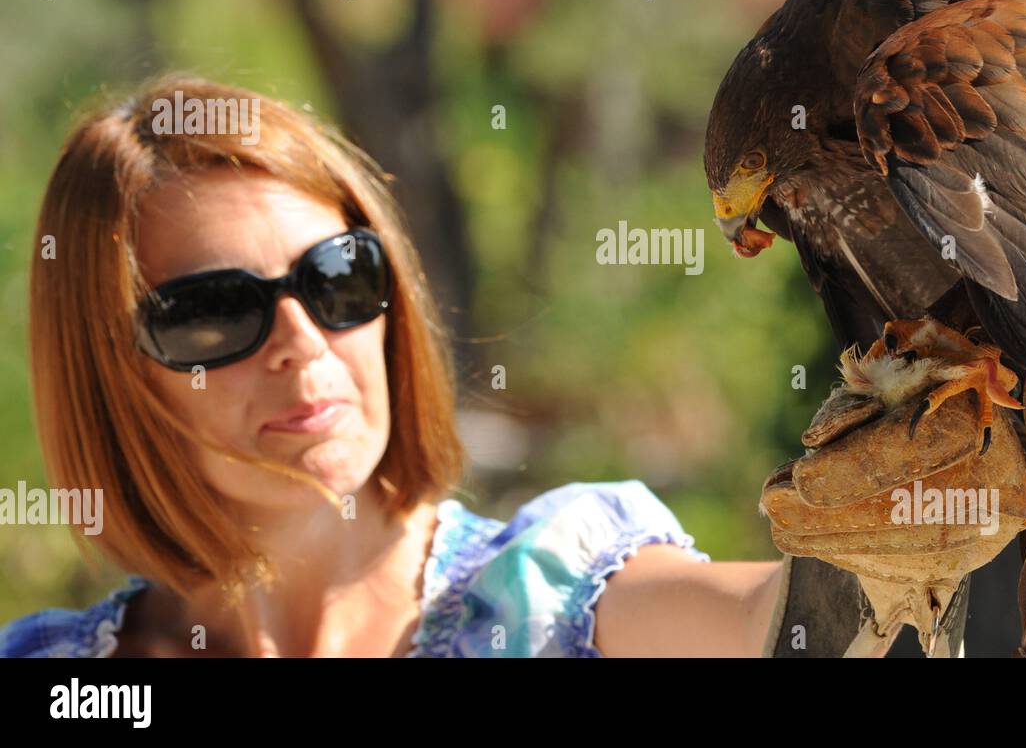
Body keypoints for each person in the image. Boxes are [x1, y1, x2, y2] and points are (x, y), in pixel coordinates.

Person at [0, 77, 784, 658]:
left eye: (339, 275)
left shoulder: (556, 599)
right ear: (111, 372)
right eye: (217, 312)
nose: (302, 338)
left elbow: (794, 620)